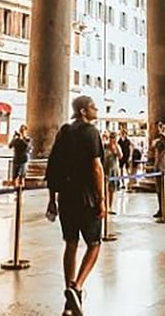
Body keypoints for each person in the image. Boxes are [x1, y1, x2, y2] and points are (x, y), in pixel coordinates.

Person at [46, 96, 106, 316]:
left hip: (66, 197)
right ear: (83, 111)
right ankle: (77, 287)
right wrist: (102, 199)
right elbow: (97, 167)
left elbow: (52, 166)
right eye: (93, 106)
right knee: (94, 244)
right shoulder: (91, 132)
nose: (96, 108)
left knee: (70, 244)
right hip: (87, 196)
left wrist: (52, 198)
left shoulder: (64, 132)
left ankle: (68, 296)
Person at [151, 122, 165, 219]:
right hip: (158, 168)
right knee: (159, 191)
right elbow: (152, 146)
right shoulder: (157, 141)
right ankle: (161, 209)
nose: (162, 131)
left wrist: (162, 133)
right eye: (161, 129)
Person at [102, 131, 122, 214]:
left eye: (114, 138)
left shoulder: (117, 146)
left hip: (113, 169)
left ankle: (109, 206)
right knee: (104, 189)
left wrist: (115, 148)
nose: (112, 139)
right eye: (111, 137)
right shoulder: (105, 146)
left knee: (111, 189)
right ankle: (104, 205)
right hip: (105, 169)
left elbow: (120, 156)